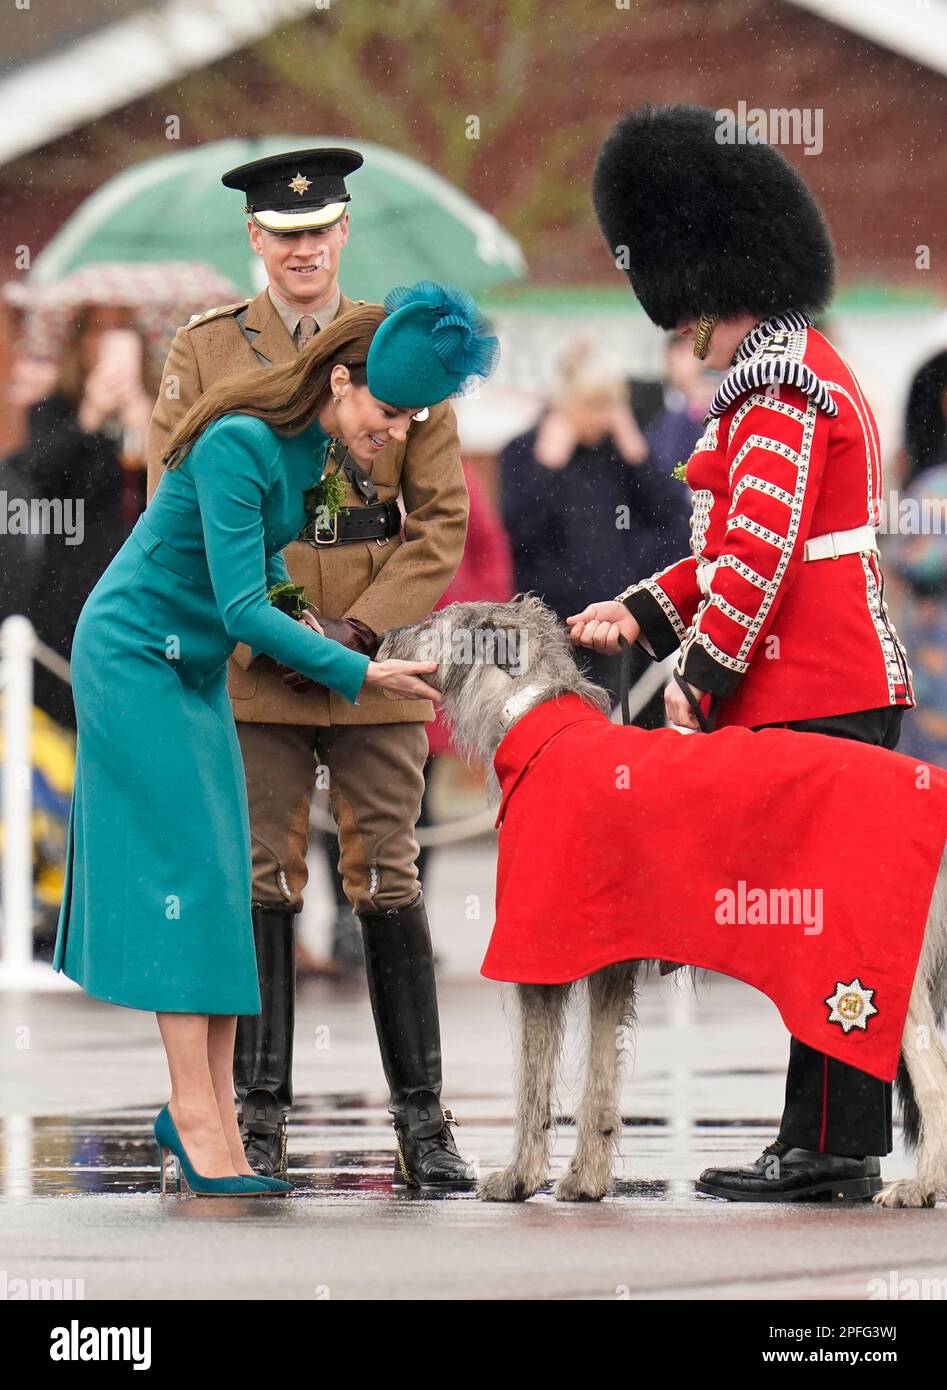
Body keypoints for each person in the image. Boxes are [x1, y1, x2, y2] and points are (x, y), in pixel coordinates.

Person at [54, 284, 499, 1196]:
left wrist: (338, 636)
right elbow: (240, 605)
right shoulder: (241, 444)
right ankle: (197, 1116)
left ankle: (213, 1114)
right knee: (188, 875)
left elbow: (265, 579)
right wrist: (356, 670)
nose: (396, 430)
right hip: (136, 658)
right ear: (341, 382)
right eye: (387, 411)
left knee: (221, 882)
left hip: (188, 663)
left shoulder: (307, 450)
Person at [569, 103, 915, 1202]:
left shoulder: (776, 382)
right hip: (827, 682)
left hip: (820, 688)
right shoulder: (782, 370)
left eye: (685, 324)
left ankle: (828, 1146)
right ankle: (821, 1139)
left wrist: (698, 683)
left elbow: (758, 562)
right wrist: (640, 610)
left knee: (829, 927)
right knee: (829, 924)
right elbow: (736, 550)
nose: (682, 341)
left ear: (716, 295)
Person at [146, 149, 477, 1188]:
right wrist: (283, 631)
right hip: (255, 666)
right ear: (254, 239)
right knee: (261, 879)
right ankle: (257, 1113)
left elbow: (440, 519)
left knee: (389, 873)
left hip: (371, 663)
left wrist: (364, 634)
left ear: (344, 234)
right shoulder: (204, 353)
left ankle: (422, 1122)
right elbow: (179, 503)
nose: (304, 249)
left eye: (321, 231)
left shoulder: (401, 348)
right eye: (284, 235)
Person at [500, 339, 688, 709]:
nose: (601, 417)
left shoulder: (621, 454)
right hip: (552, 628)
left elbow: (672, 518)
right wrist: (547, 464)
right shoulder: (525, 450)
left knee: (629, 733)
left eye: (609, 405)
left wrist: (638, 455)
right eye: (592, 405)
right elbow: (519, 533)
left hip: (620, 625)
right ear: (565, 405)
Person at [6, 311, 154, 728]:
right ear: (80, 340)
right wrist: (89, 416)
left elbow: (175, 491)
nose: (109, 341)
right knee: (63, 708)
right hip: (70, 580)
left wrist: (150, 431)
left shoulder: (160, 406)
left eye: (123, 328)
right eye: (99, 329)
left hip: (138, 579)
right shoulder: (54, 408)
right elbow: (38, 474)